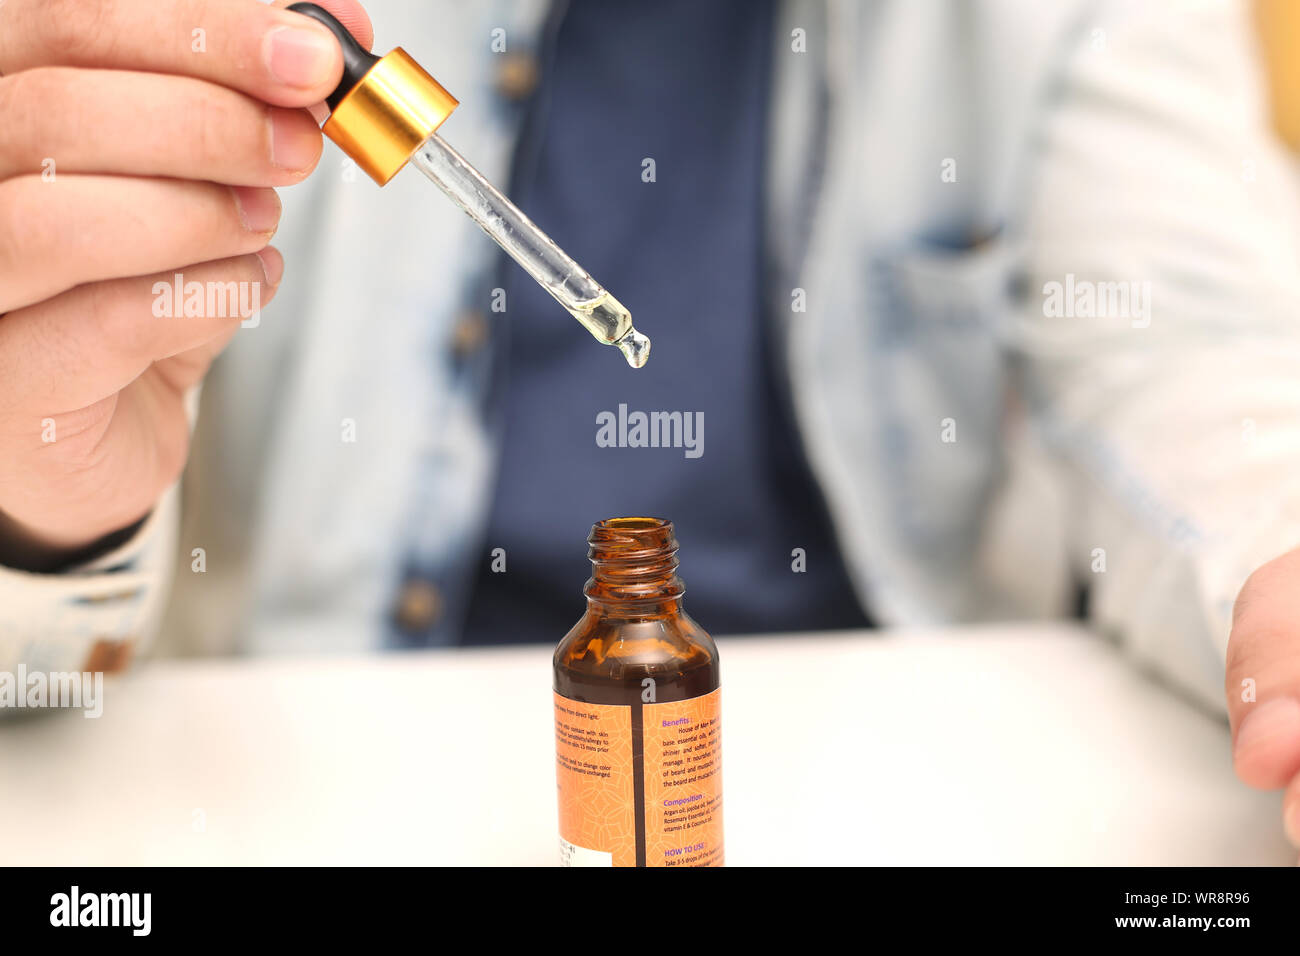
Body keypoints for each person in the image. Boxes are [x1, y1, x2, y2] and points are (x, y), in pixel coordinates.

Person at [0, 0, 1298, 845]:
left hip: (893, 788)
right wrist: (44, 508)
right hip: (303, 793)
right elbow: (33, 675)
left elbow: (1195, 342)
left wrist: (1274, 559)